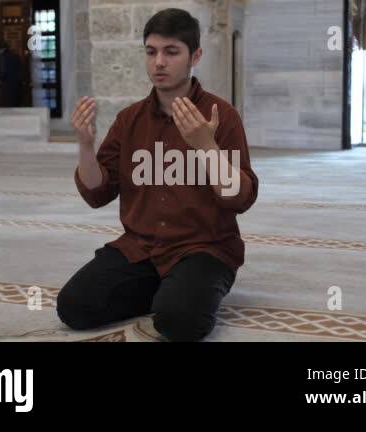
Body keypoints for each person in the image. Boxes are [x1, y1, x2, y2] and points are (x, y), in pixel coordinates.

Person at [56, 8, 259, 342]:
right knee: (74, 307)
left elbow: (239, 197)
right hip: (141, 248)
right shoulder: (129, 119)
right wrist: (85, 145)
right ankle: (169, 288)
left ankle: (181, 292)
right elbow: (97, 192)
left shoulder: (221, 115)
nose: (159, 62)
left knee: (179, 323)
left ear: (195, 55)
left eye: (171, 52)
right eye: (151, 52)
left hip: (204, 248)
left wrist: (206, 144)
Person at [0, 40, 22, 107]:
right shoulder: (16, 56)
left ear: (1, 49)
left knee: (7, 104)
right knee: (14, 103)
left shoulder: (3, 57)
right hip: (16, 84)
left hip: (7, 84)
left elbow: (3, 70)